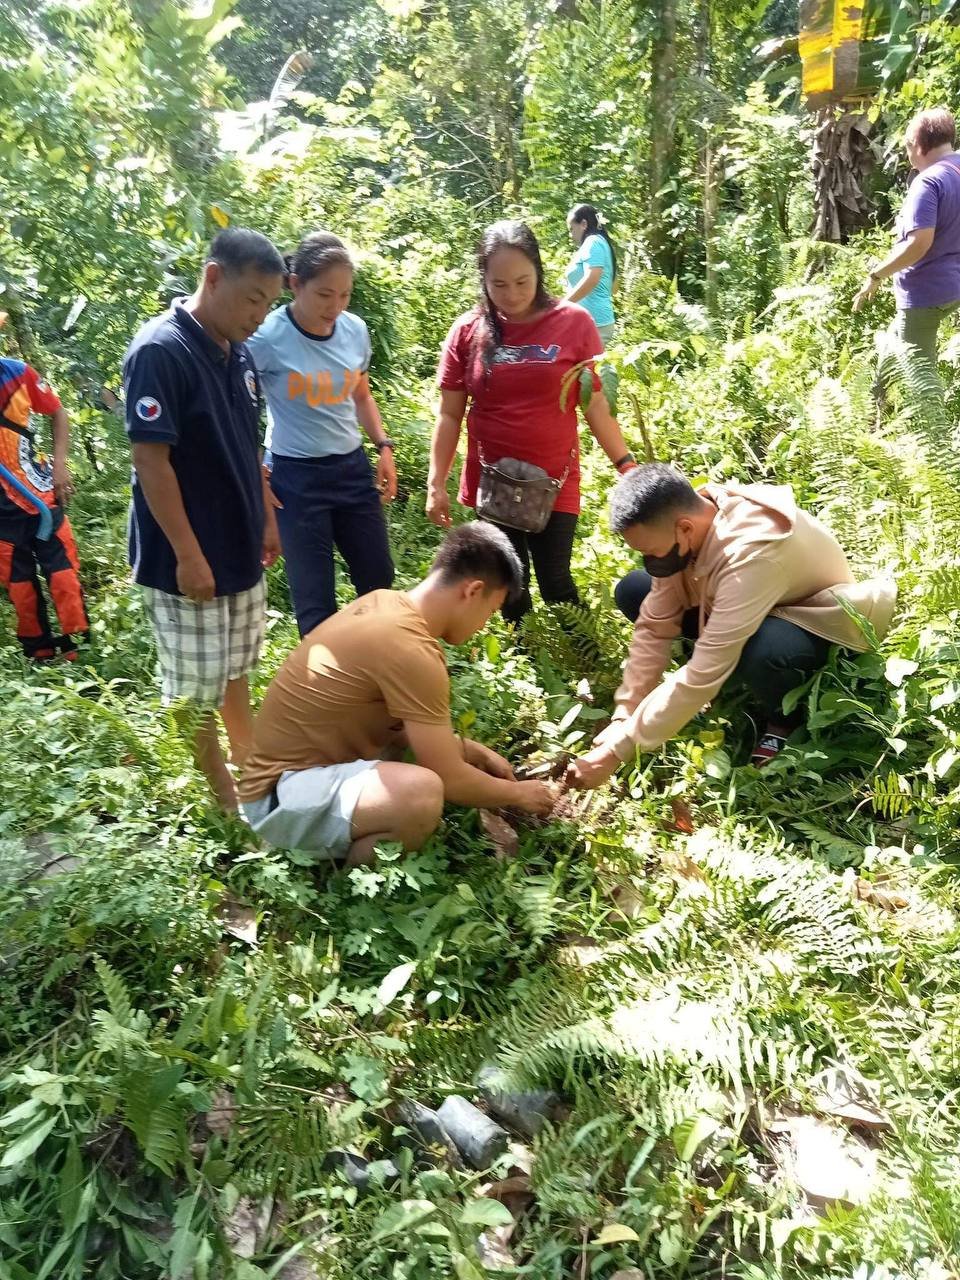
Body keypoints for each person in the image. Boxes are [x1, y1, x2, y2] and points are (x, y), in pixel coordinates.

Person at [238, 522, 558, 866]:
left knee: (411, 762)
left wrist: (474, 751)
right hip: (278, 800)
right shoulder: (411, 650)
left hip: (283, 784)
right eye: (490, 612)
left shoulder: (385, 603)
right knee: (421, 794)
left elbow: (407, 733)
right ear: (472, 591)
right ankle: (347, 882)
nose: (484, 625)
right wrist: (518, 794)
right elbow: (449, 779)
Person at [565, 464, 897, 788]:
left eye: (651, 552)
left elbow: (703, 672)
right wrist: (625, 714)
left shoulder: (752, 553)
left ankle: (785, 720)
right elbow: (655, 626)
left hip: (814, 621)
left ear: (684, 528)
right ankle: (708, 687)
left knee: (763, 648)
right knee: (635, 589)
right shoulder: (693, 522)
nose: (650, 561)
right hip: (745, 607)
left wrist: (616, 752)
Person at [123, 227, 285, 811]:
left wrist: (266, 516)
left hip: (237, 544)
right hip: (186, 556)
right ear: (213, 278)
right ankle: (225, 803)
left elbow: (246, 443)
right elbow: (151, 460)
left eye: (269, 303)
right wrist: (189, 556)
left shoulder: (236, 351)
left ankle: (253, 775)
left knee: (235, 667)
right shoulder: (160, 352)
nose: (259, 316)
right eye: (252, 299)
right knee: (196, 686)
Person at [428, 219, 635, 624]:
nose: (512, 294)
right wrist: (437, 483)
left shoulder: (573, 322)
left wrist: (626, 465)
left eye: (522, 282)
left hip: (555, 479)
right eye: (499, 284)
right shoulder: (467, 330)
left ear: (538, 271)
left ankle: (585, 656)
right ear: (483, 279)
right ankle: (527, 656)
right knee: (509, 586)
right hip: (493, 481)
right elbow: (450, 414)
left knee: (557, 583)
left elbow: (594, 404)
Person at [248, 231, 397, 636]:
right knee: (315, 601)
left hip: (351, 470)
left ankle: (372, 661)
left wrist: (383, 446)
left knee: (378, 580)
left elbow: (361, 394)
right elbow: (238, 406)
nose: (336, 307)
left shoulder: (354, 330)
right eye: (325, 295)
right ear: (296, 284)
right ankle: (324, 675)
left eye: (345, 295)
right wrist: (256, 476)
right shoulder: (268, 337)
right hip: (295, 478)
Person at [0, 326, 88, 660]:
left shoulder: (18, 374)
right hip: (2, 513)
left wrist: (60, 465)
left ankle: (77, 649)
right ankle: (40, 653)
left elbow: (57, 412)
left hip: (40, 493)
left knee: (63, 575)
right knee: (19, 585)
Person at [853, 107, 960, 365]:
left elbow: (919, 244)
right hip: (953, 283)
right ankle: (879, 391)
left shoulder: (928, 182)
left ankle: (921, 396)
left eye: (908, 146)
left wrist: (876, 275)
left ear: (919, 146)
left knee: (918, 372)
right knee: (892, 353)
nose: (908, 155)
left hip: (926, 292)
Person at [563, 203, 618, 348]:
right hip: (593, 321)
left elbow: (592, 278)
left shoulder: (592, 242)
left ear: (583, 224)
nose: (570, 235)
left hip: (594, 323)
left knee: (580, 364)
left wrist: (563, 305)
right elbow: (614, 287)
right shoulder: (602, 243)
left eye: (571, 229)